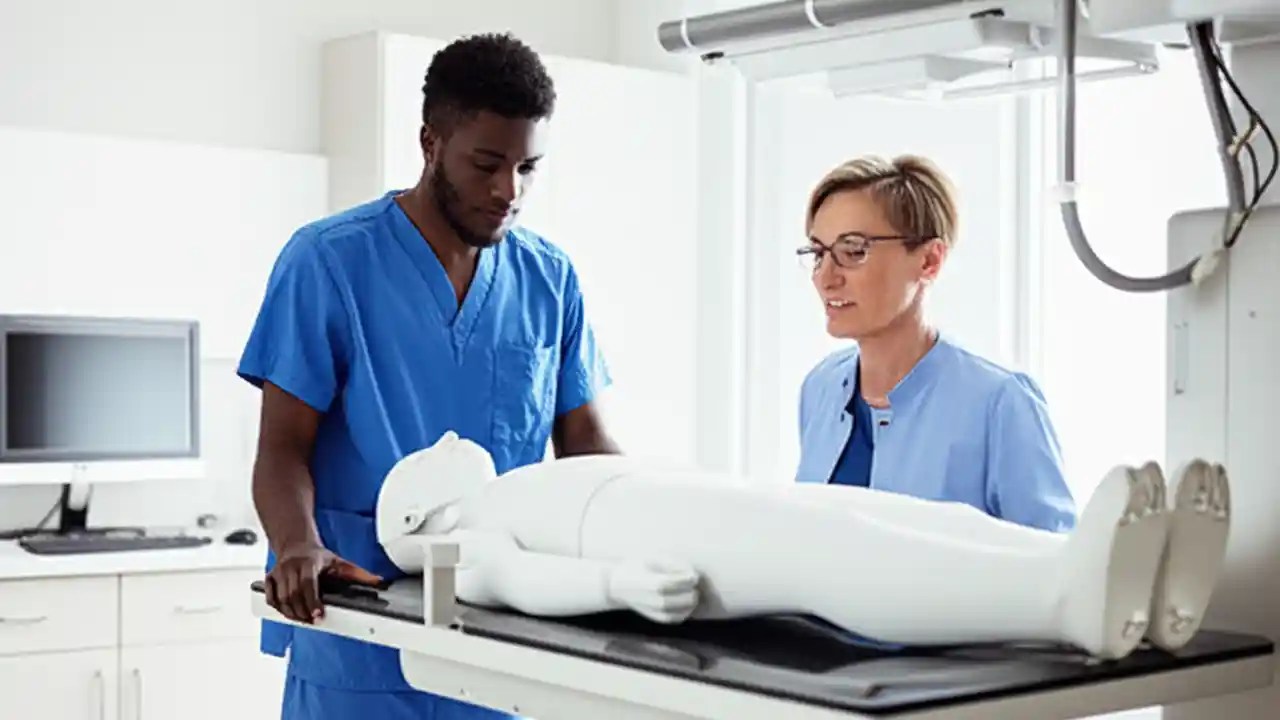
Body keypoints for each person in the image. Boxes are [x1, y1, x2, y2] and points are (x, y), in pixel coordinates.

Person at [237, 33, 618, 720]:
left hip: (500, 640)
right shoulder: (327, 263)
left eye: (528, 168)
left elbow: (584, 441)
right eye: (487, 164)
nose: (509, 191)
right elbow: (282, 446)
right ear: (429, 143)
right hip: (359, 628)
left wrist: (645, 538)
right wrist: (297, 545)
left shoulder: (549, 279)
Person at [377, 431, 1232, 663]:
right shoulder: (464, 542)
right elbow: (521, 583)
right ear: (414, 517)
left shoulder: (503, 483)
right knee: (837, 551)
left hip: (676, 499)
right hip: (650, 540)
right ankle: (1065, 604)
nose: (446, 437)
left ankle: (1090, 559)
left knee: (901, 513)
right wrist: (617, 580)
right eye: (425, 459)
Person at [795, 155, 1076, 532]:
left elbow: (1056, 570)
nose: (825, 278)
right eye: (817, 254)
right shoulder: (821, 389)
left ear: (929, 260)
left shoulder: (1001, 404)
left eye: (853, 251)